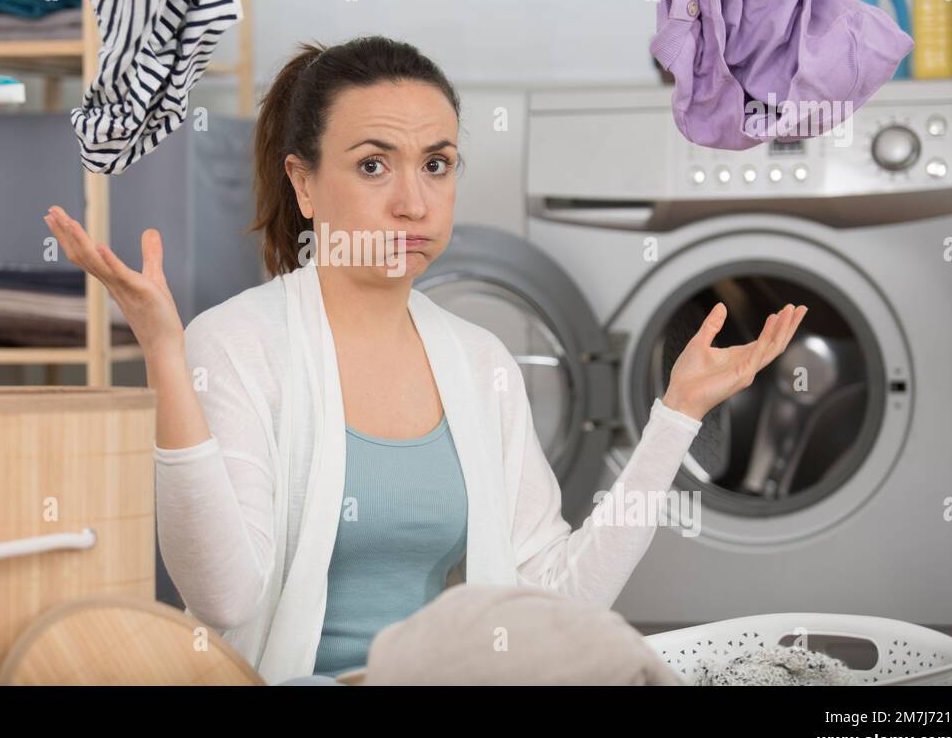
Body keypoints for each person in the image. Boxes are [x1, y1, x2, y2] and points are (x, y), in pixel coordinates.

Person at [42, 35, 807, 684]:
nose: (414, 201)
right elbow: (222, 600)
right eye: (374, 165)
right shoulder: (236, 344)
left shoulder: (479, 360)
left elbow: (556, 600)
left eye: (436, 164)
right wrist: (168, 360)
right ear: (303, 183)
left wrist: (674, 420)